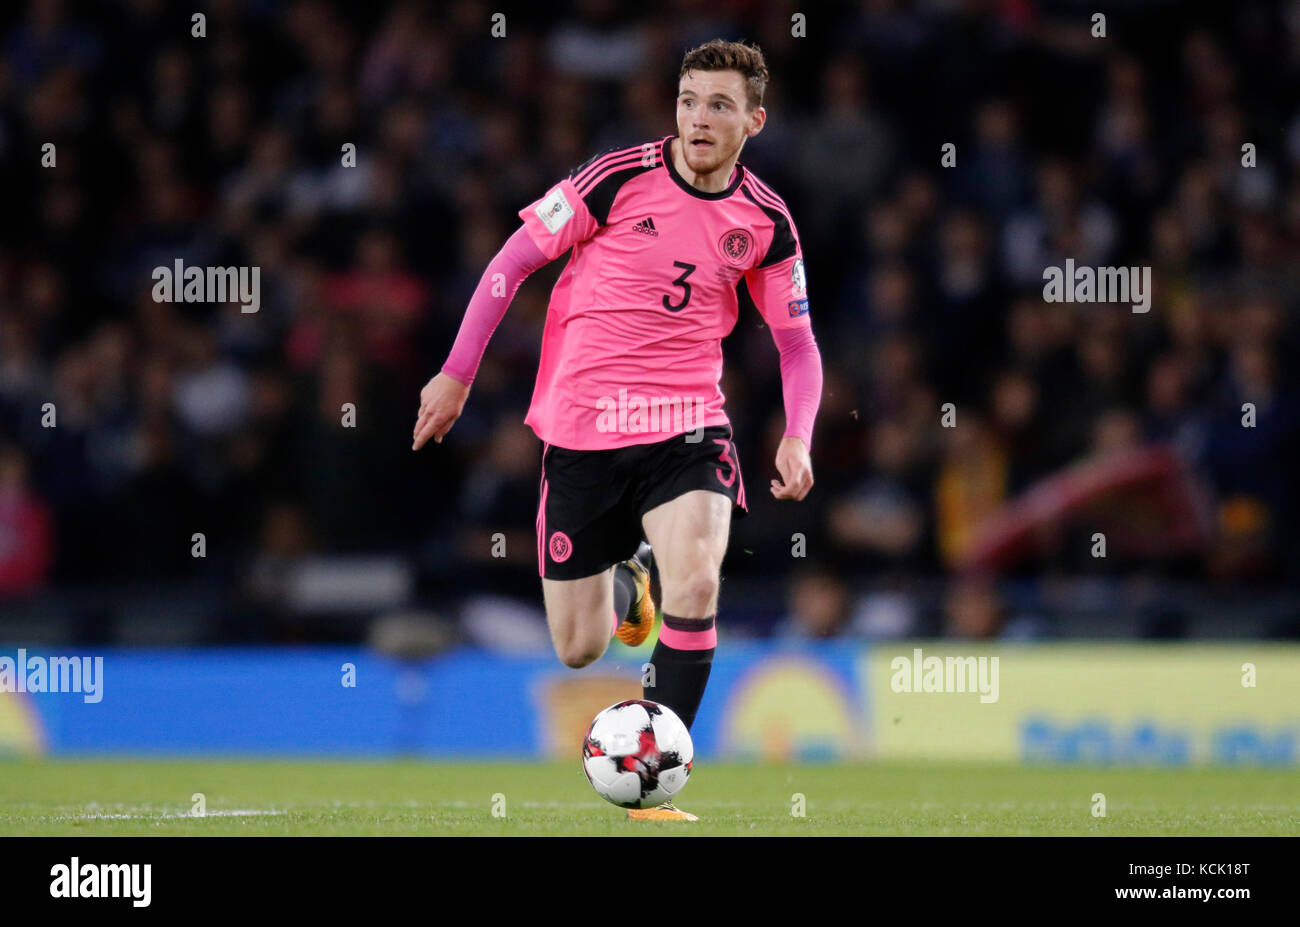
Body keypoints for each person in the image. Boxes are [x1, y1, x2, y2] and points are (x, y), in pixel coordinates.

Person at [412, 39, 823, 820]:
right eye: (689, 100)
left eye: (720, 106)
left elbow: (798, 343)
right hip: (584, 430)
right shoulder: (615, 178)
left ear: (754, 121)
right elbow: (511, 261)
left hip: (686, 425)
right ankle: (630, 581)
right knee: (579, 646)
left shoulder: (767, 222)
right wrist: (457, 372)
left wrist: (797, 433)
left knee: (699, 580)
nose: (699, 118)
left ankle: (654, 780)